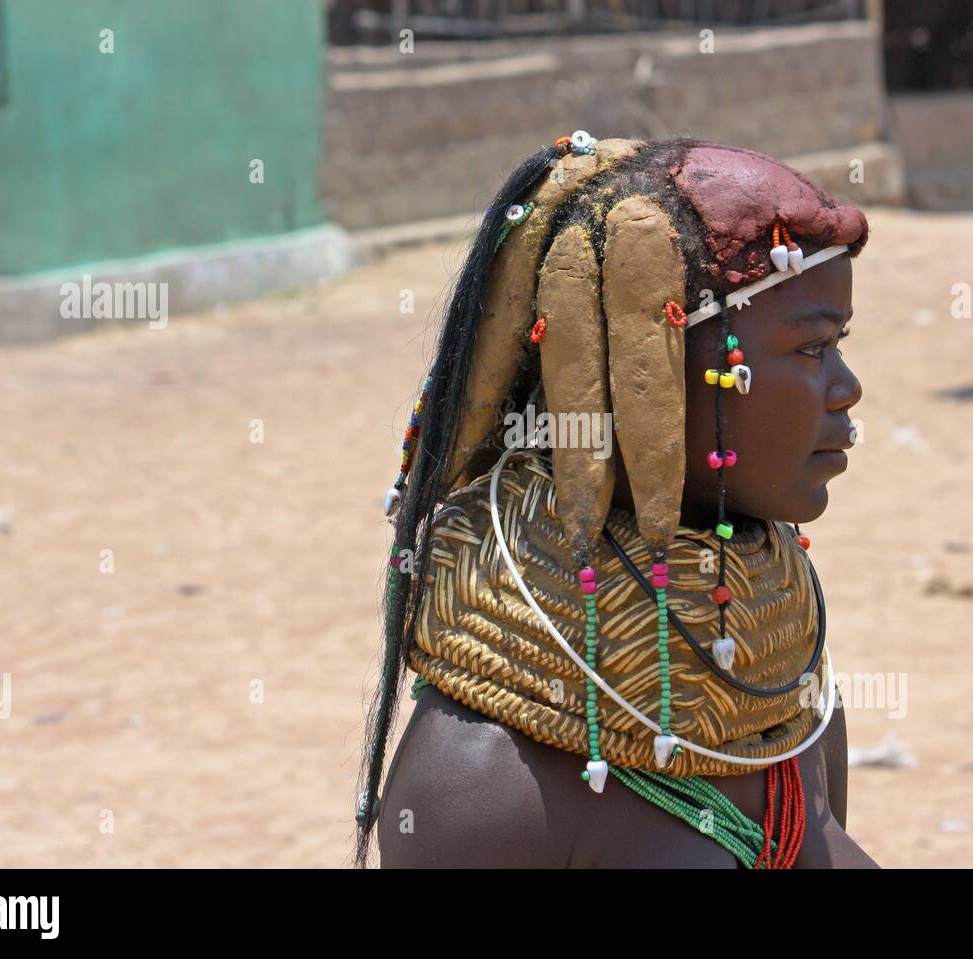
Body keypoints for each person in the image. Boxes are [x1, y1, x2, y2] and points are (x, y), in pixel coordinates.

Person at [356, 133, 877, 868]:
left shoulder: (784, 683)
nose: (847, 385)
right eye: (811, 348)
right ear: (644, 368)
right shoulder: (486, 777)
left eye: (840, 343)